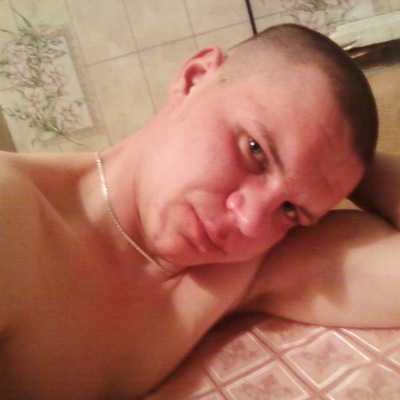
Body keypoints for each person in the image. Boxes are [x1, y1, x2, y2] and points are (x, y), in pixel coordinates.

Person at [0, 23, 399, 400]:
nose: (250, 222)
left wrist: (341, 166)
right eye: (255, 150)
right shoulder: (14, 215)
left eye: (290, 208)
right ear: (193, 78)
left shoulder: (245, 268)